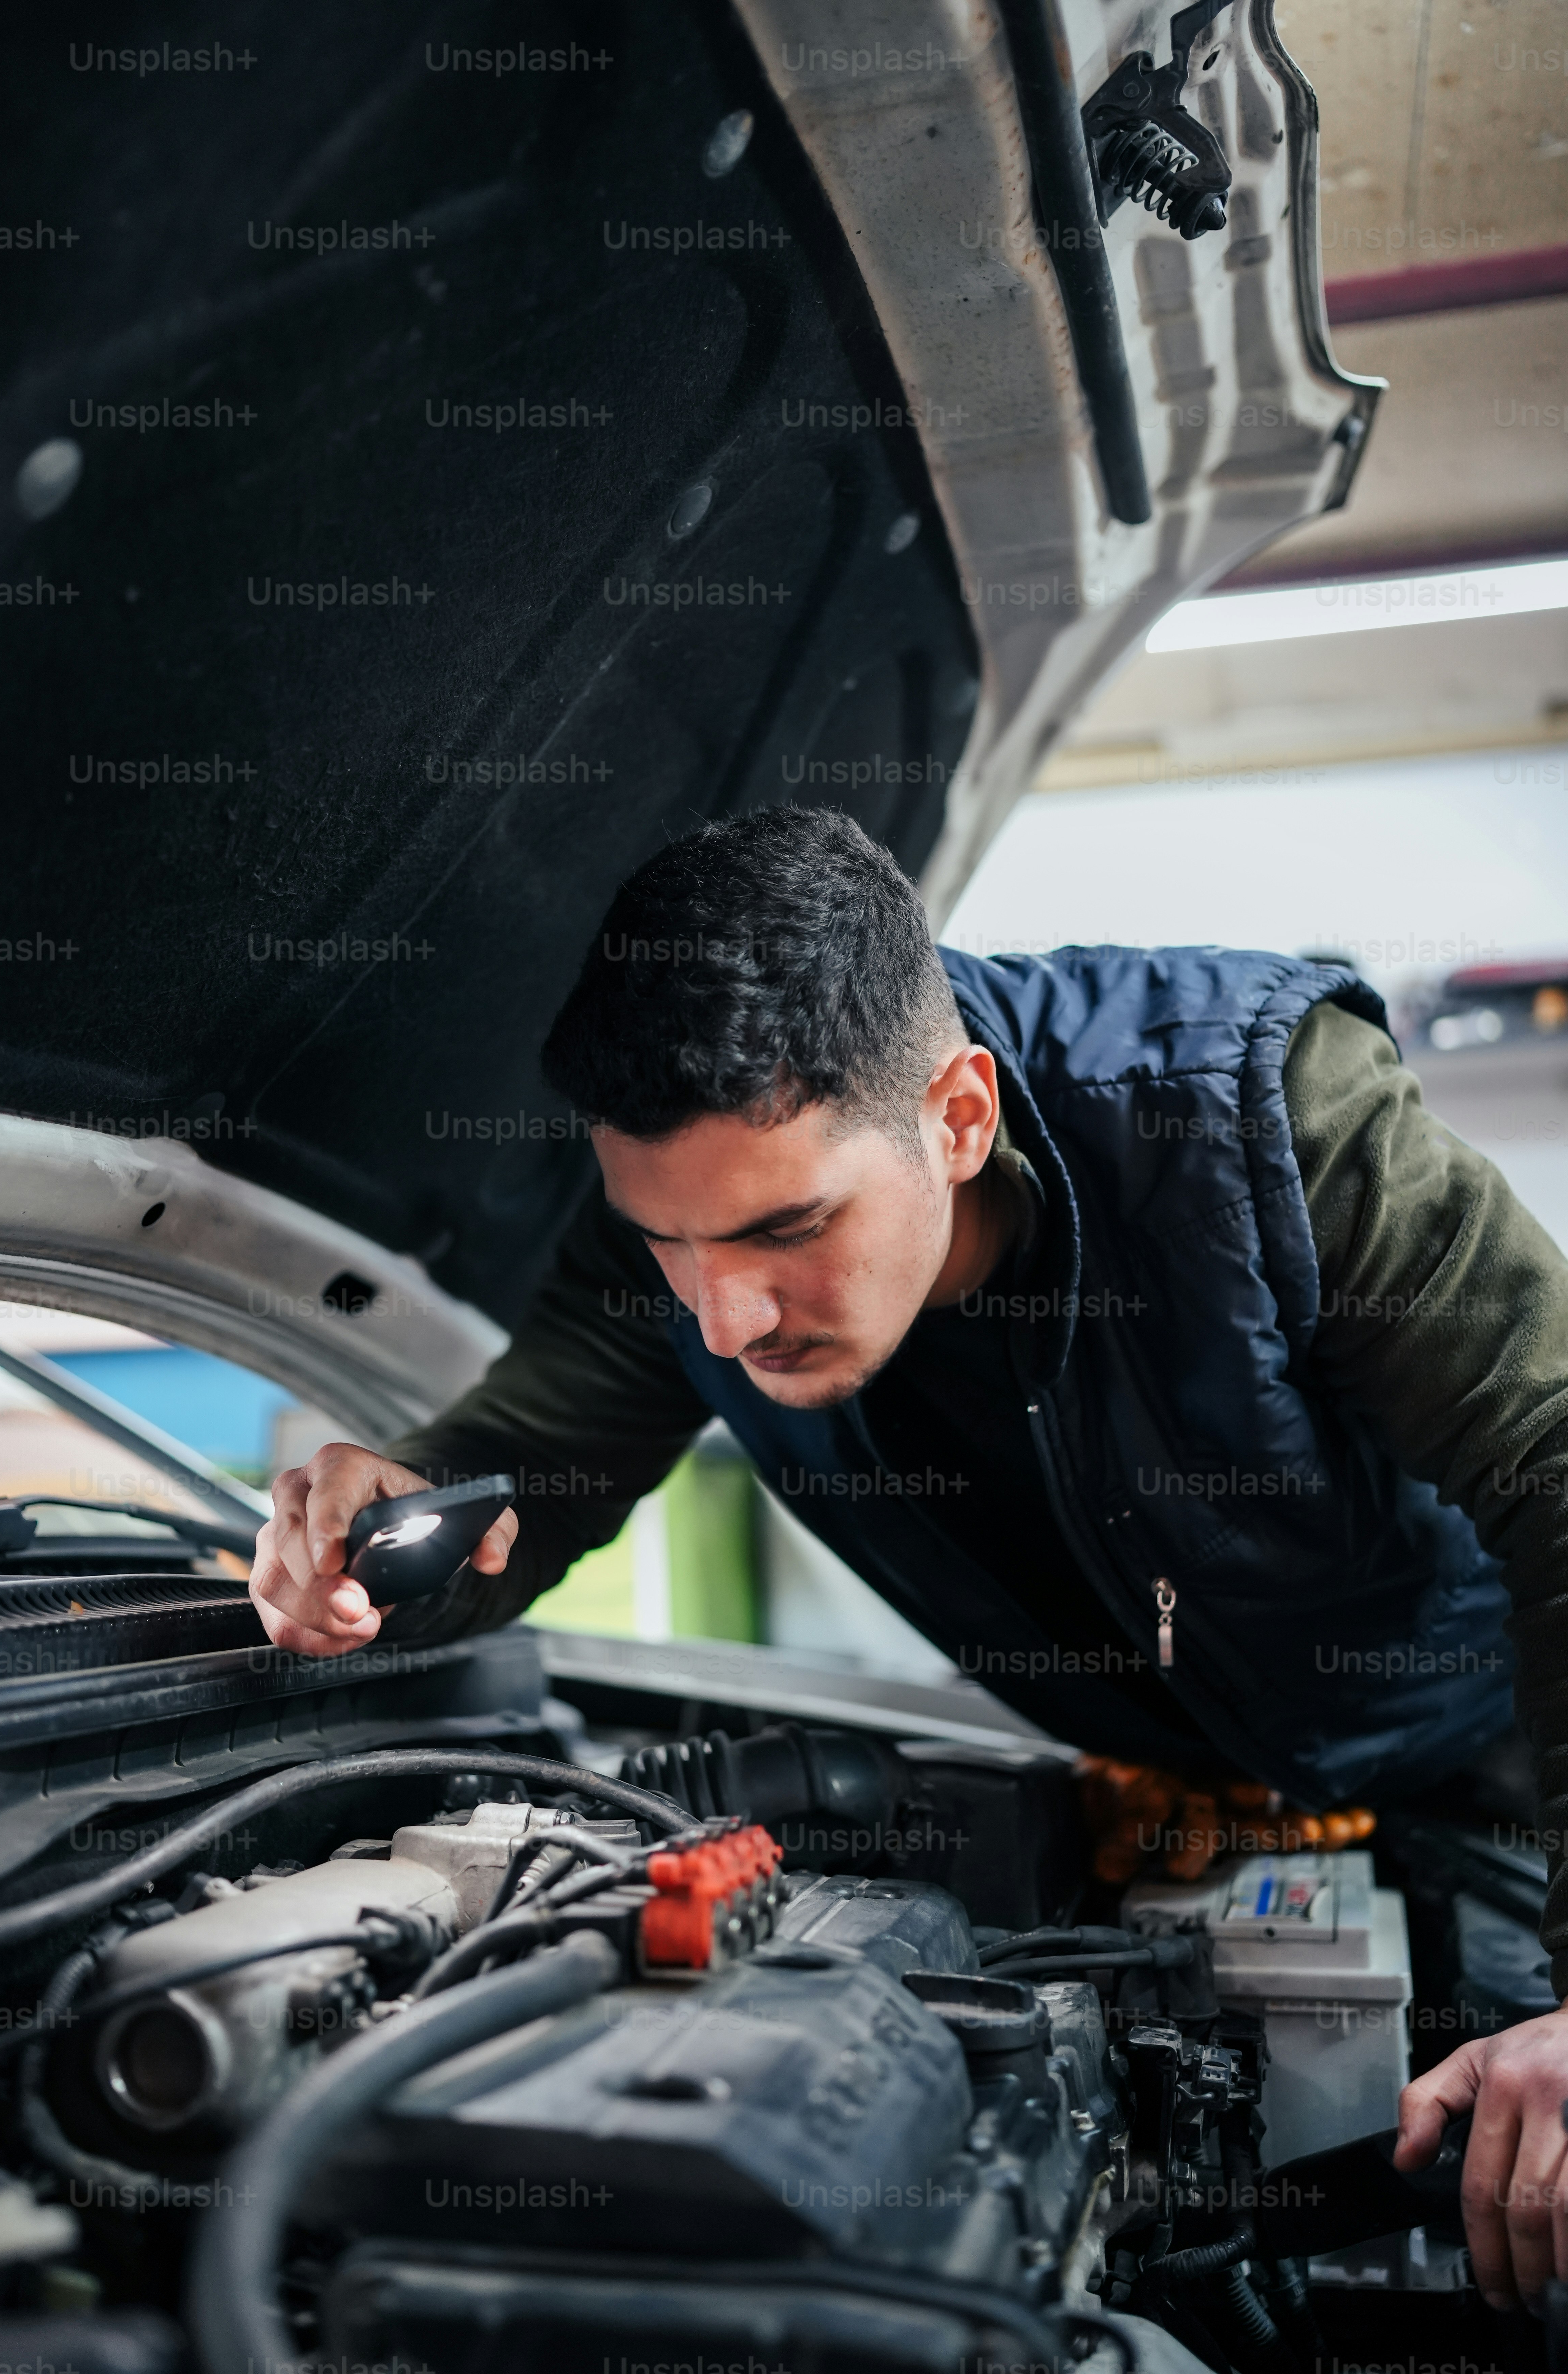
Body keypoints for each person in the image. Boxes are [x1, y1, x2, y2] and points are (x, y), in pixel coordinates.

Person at [249, 804, 1568, 2313]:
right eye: (668, 1248)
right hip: (1165, 1800)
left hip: (1486, 1768)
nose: (721, 1322)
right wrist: (368, 1548)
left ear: (955, 1115)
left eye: (784, 1229)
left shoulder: (1258, 1119)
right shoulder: (682, 1246)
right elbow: (507, 1505)